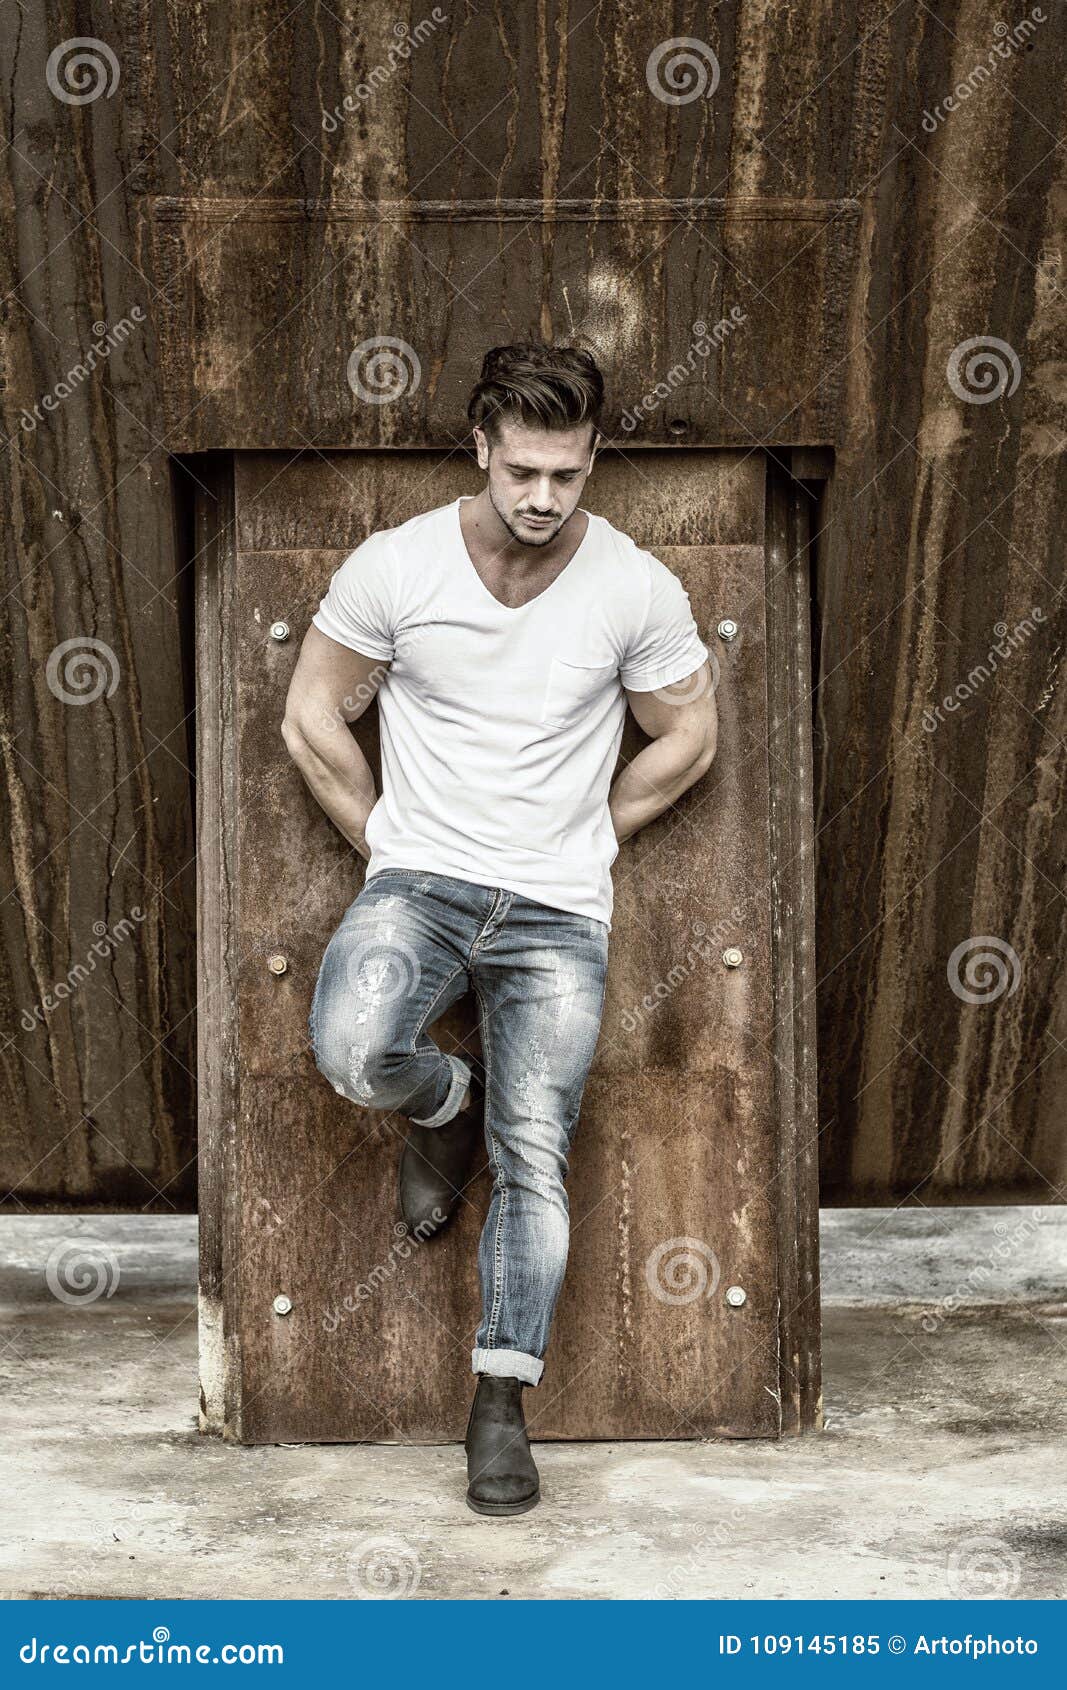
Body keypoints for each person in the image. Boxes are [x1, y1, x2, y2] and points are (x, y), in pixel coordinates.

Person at [281, 342, 716, 1515]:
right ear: (479, 447)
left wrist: (593, 831)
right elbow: (312, 711)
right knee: (352, 1050)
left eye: (565, 474)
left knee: (535, 1155)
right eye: (520, 469)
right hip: (419, 881)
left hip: (557, 909)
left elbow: (688, 735)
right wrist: (385, 839)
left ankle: (498, 1400)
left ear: (592, 458)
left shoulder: (633, 587)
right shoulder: (397, 566)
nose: (540, 496)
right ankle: (442, 1102)